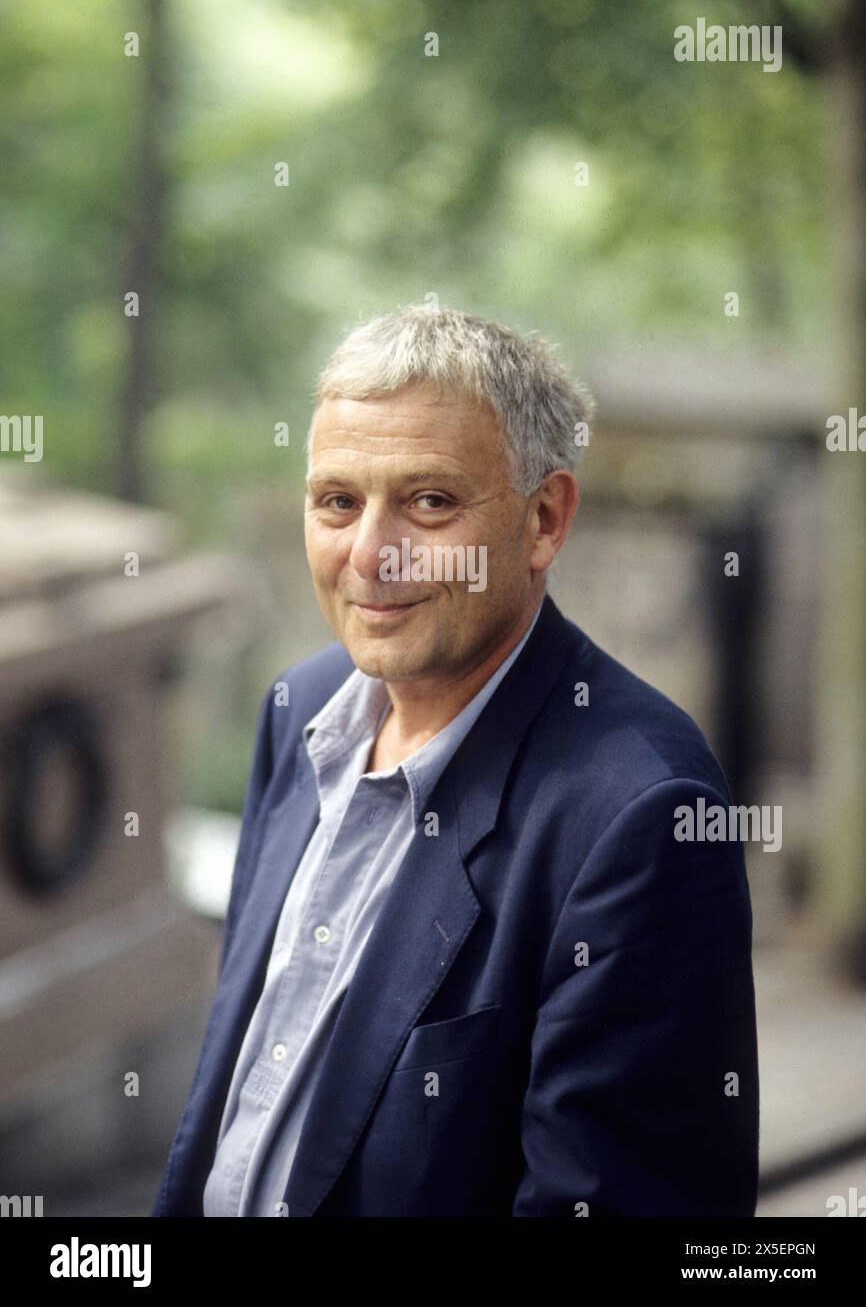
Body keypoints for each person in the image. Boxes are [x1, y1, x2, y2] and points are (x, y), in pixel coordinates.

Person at [153, 303, 759, 1217]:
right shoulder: (299, 711)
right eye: (338, 503)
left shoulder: (641, 815)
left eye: (430, 502)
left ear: (545, 519)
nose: (370, 557)